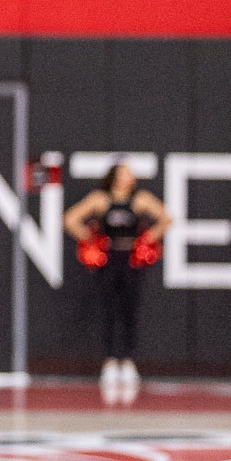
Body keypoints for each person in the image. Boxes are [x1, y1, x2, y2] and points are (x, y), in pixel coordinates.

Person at [62, 163, 170, 400]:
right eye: (123, 172)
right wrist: (90, 239)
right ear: (113, 176)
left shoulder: (140, 199)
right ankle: (110, 360)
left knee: (130, 309)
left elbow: (165, 218)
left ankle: (128, 360)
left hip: (131, 259)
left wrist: (147, 238)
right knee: (109, 308)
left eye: (130, 172)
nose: (128, 176)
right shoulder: (100, 199)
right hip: (109, 259)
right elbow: (70, 219)